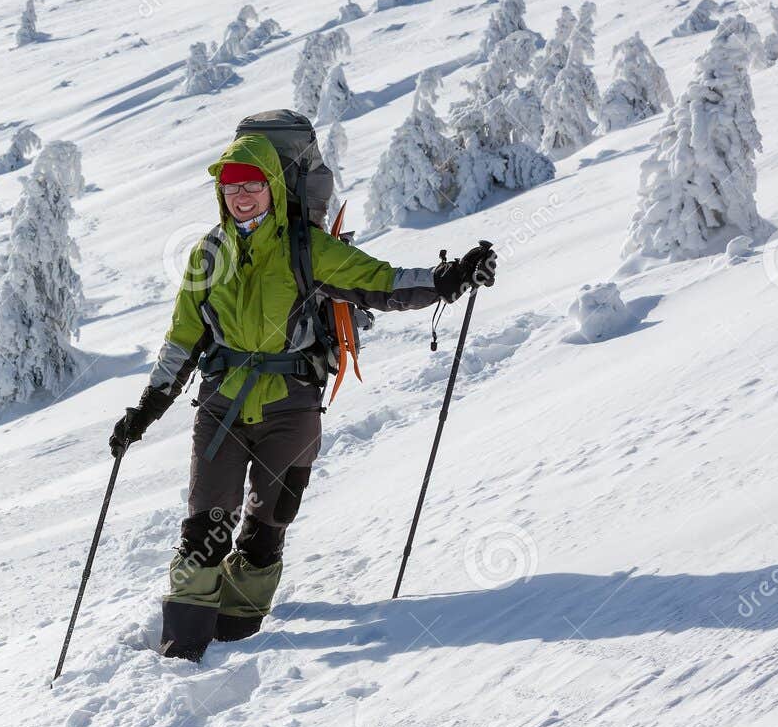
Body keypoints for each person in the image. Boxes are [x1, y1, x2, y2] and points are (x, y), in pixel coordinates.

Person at [109, 129, 497, 661]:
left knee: (269, 521)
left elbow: (379, 282)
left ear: (272, 186)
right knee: (206, 524)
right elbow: (183, 337)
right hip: (221, 406)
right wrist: (147, 408)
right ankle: (182, 652)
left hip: (291, 405)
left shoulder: (305, 248)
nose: (241, 196)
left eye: (251, 185)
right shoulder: (207, 255)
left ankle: (238, 634)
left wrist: (446, 279)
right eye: (230, 187)